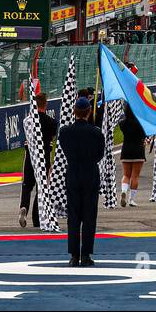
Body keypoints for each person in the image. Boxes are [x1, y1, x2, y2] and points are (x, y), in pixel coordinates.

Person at [58, 96, 105, 267]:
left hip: (73, 175)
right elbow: (100, 154)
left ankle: (74, 255)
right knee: (89, 216)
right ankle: (85, 254)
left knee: (73, 216)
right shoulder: (96, 132)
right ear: (88, 112)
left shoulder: (64, 132)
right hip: (90, 174)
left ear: (74, 112)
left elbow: (64, 150)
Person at [20, 91, 58, 228]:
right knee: (41, 188)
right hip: (44, 157)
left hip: (30, 156)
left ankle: (24, 206)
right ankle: (36, 219)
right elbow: (52, 137)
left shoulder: (27, 121)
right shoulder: (52, 122)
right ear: (45, 105)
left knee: (26, 185)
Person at [119, 108, 146, 206]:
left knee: (126, 175)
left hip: (126, 149)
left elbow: (121, 122)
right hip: (138, 149)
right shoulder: (140, 123)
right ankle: (131, 200)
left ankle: (124, 191)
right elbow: (144, 134)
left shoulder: (123, 123)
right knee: (135, 176)